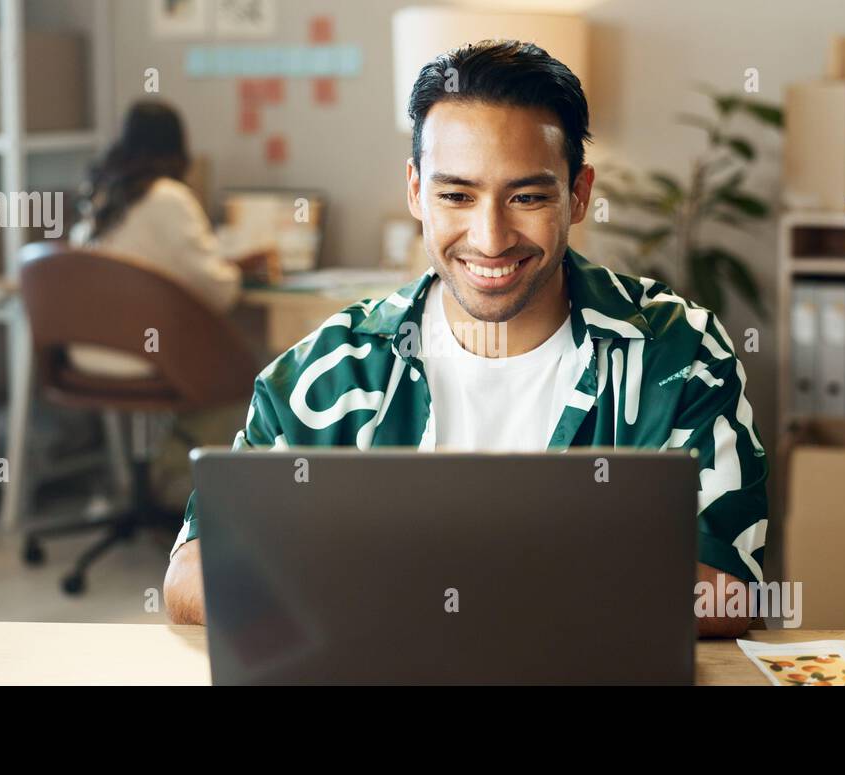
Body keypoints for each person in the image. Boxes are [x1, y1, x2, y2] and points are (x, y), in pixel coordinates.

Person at [164, 40, 767, 638]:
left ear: (578, 194)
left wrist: (449, 594)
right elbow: (190, 574)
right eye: (456, 195)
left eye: (526, 197)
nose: (491, 238)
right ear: (415, 191)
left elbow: (731, 591)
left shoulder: (680, 353)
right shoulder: (330, 368)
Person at [68, 100, 240, 377]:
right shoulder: (169, 197)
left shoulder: (98, 194)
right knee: (247, 370)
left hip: (87, 351)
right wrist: (235, 271)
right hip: (149, 355)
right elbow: (218, 292)